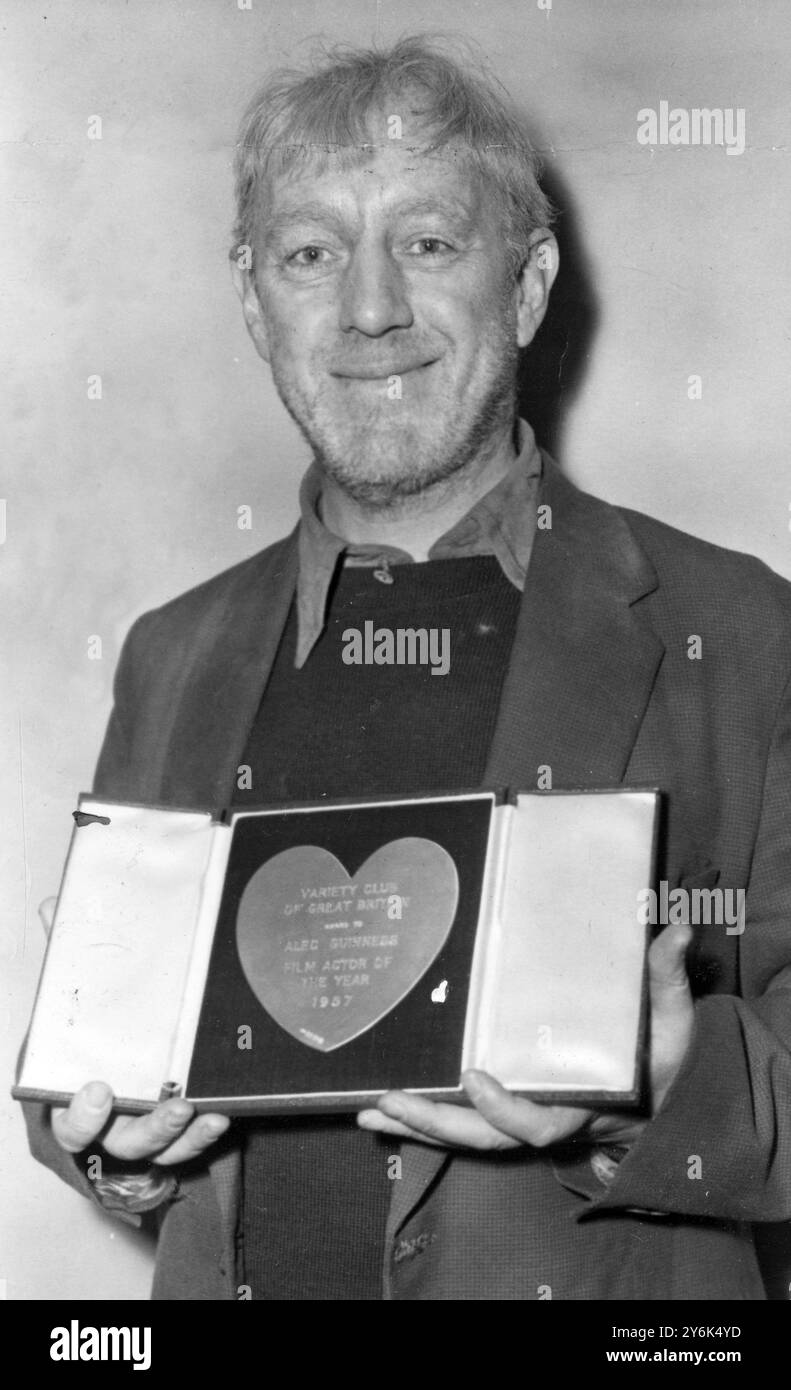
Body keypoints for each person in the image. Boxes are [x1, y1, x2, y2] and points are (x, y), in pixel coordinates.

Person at [24, 36, 791, 1300]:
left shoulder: (742, 632)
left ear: (527, 284)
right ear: (252, 299)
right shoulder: (171, 653)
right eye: (309, 254)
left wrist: (665, 1081)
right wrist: (109, 1144)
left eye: (427, 243)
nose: (369, 309)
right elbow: (87, 1079)